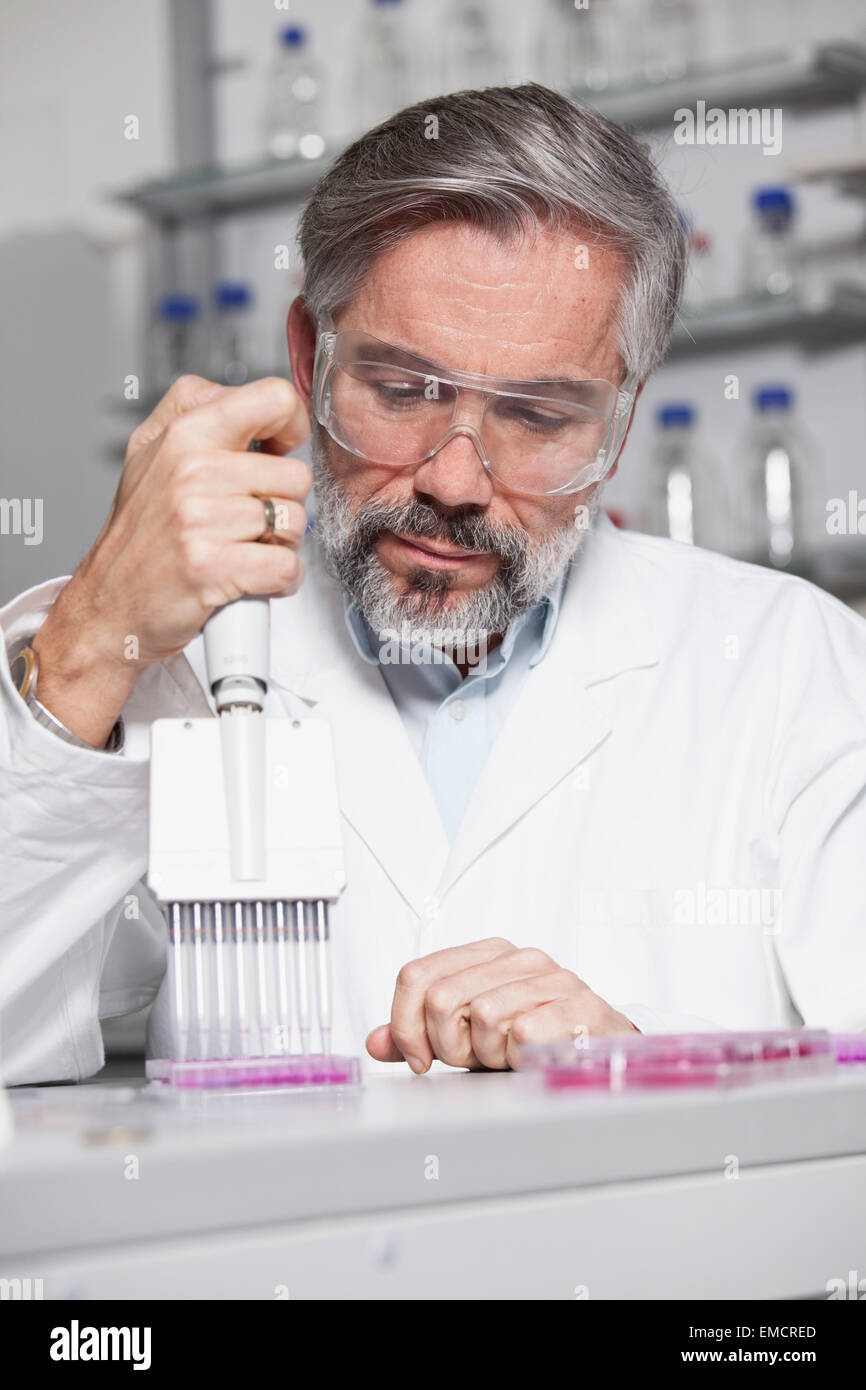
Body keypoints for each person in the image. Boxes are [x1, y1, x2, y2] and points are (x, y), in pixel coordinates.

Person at [2, 85, 865, 1086]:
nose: (454, 480)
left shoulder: (784, 661)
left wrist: (642, 1063)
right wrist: (86, 639)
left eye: (539, 416)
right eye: (402, 391)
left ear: (618, 425)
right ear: (306, 361)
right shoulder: (164, 666)